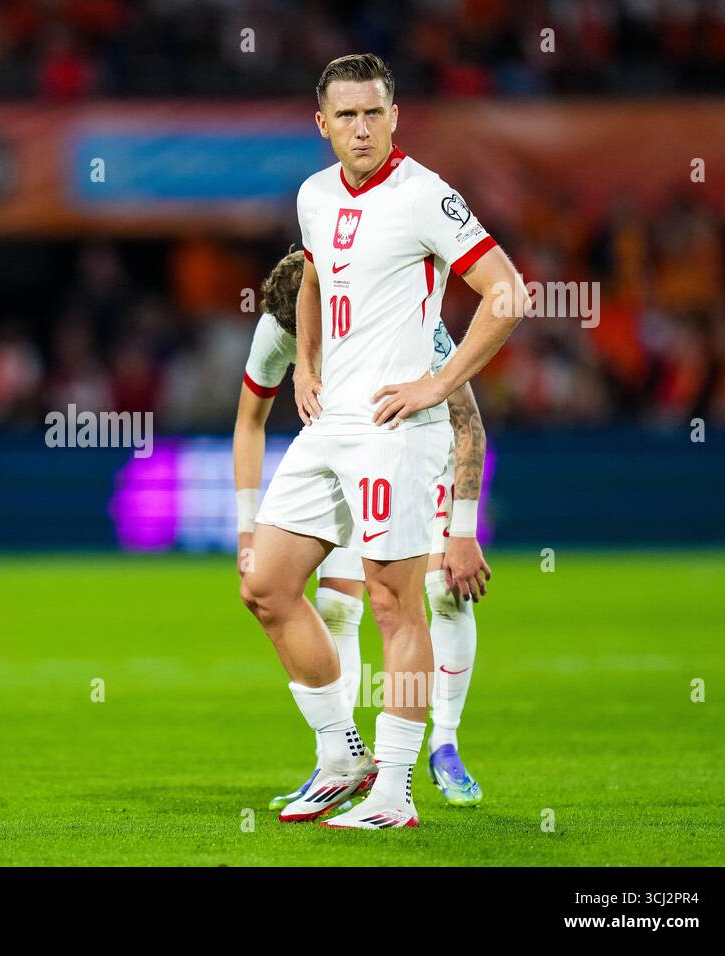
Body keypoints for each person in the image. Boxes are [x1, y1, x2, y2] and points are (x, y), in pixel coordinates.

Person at [239, 53, 527, 829]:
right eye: (347, 115)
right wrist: (306, 361)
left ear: (395, 117)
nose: (362, 128)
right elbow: (314, 276)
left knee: (398, 608)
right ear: (323, 124)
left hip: (396, 430)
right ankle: (340, 758)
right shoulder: (313, 194)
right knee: (265, 585)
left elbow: (507, 292)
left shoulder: (425, 196)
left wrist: (438, 383)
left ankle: (394, 791)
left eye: (375, 113)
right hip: (331, 425)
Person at [233, 250, 490, 817]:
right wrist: (247, 529)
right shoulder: (279, 325)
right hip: (347, 445)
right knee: (327, 606)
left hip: (421, 444)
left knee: (437, 595)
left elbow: (469, 424)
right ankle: (342, 757)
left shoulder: (403, 320)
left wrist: (462, 530)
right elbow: (249, 420)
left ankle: (441, 744)